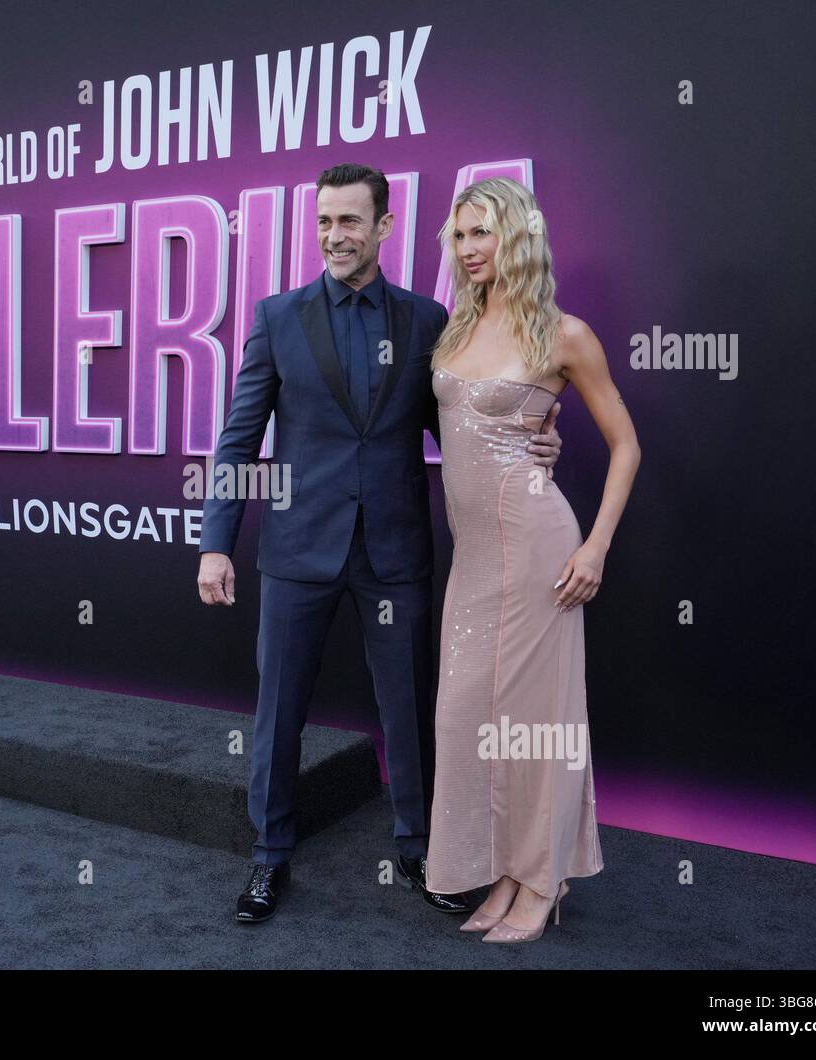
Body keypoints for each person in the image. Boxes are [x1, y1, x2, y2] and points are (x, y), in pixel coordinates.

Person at [196, 163, 562, 923]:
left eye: (351, 222)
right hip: (298, 550)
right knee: (278, 712)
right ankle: (269, 859)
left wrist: (532, 444)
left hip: (393, 552)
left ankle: (421, 845)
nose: (335, 236)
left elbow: (458, 426)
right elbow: (238, 442)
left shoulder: (430, 322)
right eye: (325, 221)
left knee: (409, 709)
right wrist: (215, 543)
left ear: (385, 227)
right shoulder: (277, 317)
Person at [423, 177, 640, 942]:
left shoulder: (565, 334)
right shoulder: (454, 329)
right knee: (468, 721)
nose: (467, 249)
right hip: (474, 562)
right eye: (458, 236)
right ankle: (502, 871)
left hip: (544, 550)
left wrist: (596, 546)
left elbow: (627, 444)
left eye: (481, 233)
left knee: (532, 727)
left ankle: (540, 883)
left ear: (517, 236)